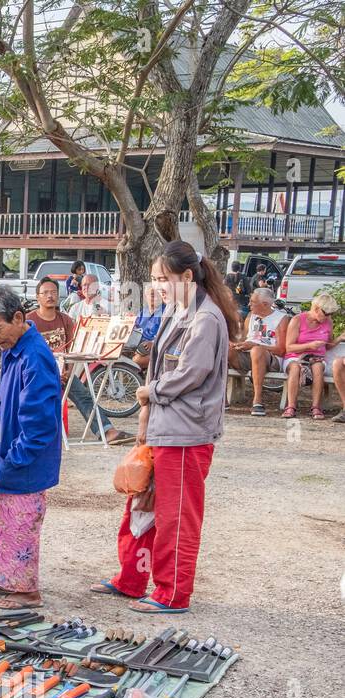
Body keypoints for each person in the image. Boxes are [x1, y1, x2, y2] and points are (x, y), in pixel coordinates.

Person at [93, 240, 237, 614]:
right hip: (162, 425)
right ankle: (132, 579)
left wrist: (149, 391)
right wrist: (145, 411)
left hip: (187, 431)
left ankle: (172, 594)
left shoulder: (206, 318)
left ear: (187, 276)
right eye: (154, 278)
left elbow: (192, 372)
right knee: (142, 505)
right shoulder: (177, 309)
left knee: (176, 517)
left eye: (163, 278)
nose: (156, 285)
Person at [0, 285, 62, 609]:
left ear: (19, 318)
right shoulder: (13, 348)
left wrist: (16, 458)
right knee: (2, 519)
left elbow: (40, 422)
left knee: (20, 522)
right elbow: (4, 392)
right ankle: (3, 578)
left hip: (25, 460)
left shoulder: (35, 356)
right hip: (9, 453)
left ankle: (25, 591)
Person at [27, 277, 130, 444]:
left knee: (85, 396)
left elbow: (73, 348)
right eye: (45, 293)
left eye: (53, 292)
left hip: (62, 373)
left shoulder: (65, 320)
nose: (50, 296)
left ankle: (107, 431)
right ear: (37, 297)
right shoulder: (29, 321)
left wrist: (67, 371)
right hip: (37, 374)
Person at [281, 294, 341, 420]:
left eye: (331, 314)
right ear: (317, 309)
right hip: (295, 356)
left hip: (317, 357)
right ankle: (291, 406)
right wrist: (309, 345)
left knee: (318, 367)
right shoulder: (297, 320)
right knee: (295, 368)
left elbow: (328, 345)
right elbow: (289, 347)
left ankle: (316, 407)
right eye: (326, 313)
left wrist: (339, 339)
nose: (328, 317)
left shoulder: (328, 322)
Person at [228, 287, 287, 416]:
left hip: (270, 358)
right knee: (225, 348)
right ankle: (220, 397)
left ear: (265, 304)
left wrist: (254, 345)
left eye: (252, 302)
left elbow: (281, 350)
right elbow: (244, 339)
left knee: (257, 351)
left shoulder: (281, 319)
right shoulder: (251, 316)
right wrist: (236, 344)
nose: (249, 304)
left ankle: (258, 400)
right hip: (248, 356)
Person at [124, 283, 166, 371]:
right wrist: (129, 322)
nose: (156, 297)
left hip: (156, 348)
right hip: (138, 346)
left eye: (158, 294)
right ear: (146, 296)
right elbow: (136, 328)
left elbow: (167, 333)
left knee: (136, 360)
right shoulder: (143, 312)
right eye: (152, 295)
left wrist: (153, 342)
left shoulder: (165, 312)